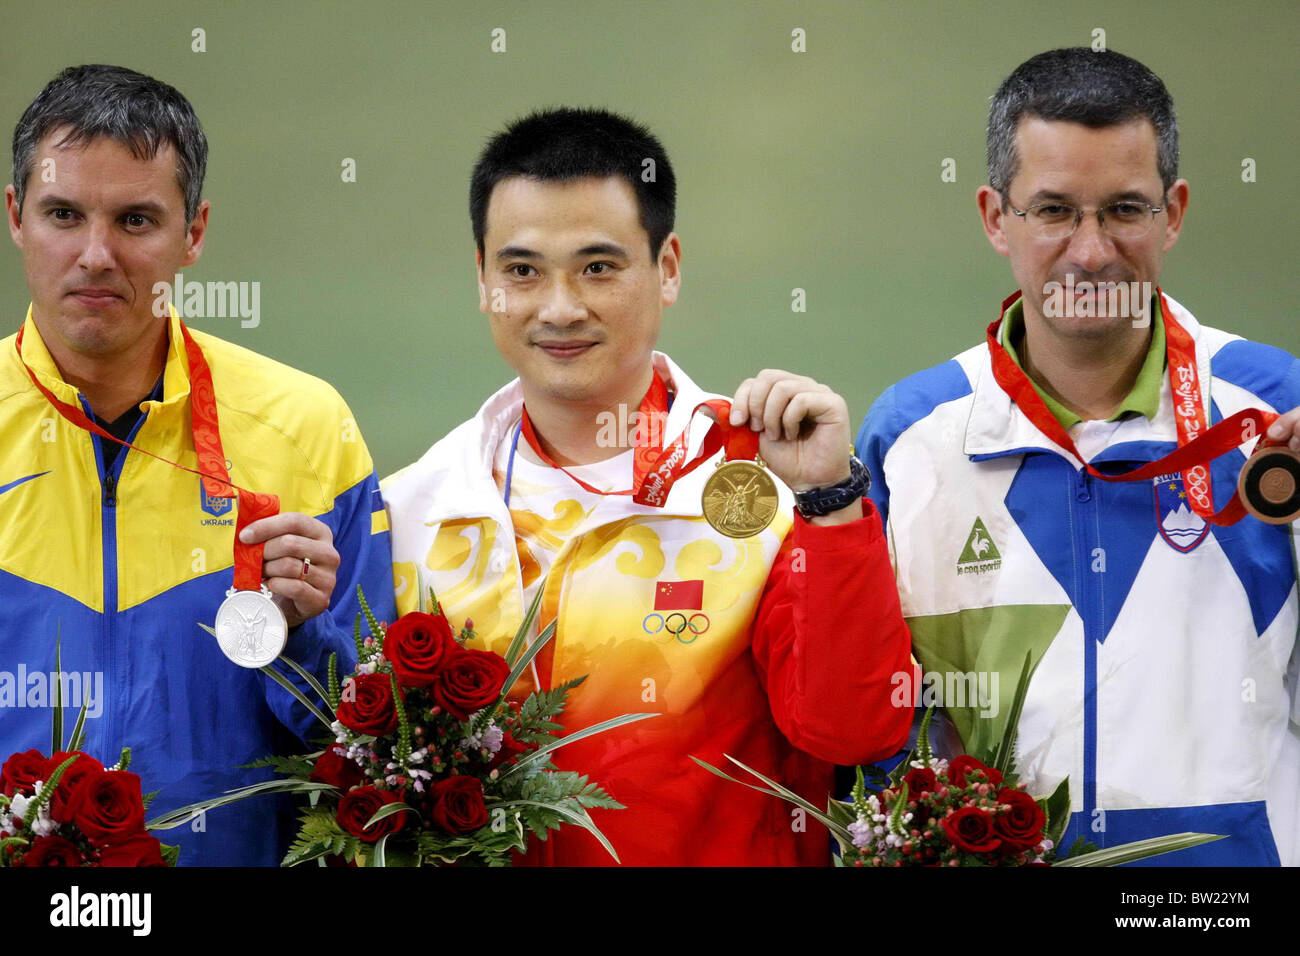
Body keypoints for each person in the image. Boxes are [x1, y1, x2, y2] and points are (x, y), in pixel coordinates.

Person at [382, 107, 913, 865]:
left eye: (598, 267)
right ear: (483, 280)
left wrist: (831, 506)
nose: (560, 308)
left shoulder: (765, 482)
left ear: (667, 269)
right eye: (522, 270)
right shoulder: (414, 510)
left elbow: (855, 730)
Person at [856, 48, 1300, 865]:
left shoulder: (1275, 411)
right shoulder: (910, 434)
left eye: (1124, 210)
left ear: (1175, 212)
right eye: (1054, 210)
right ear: (996, 216)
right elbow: (874, 719)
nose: (1091, 253)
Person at [1, 65, 395, 865]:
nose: (96, 254)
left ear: (195, 231)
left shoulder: (306, 429)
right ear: (15, 216)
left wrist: (304, 637)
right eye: (63, 214)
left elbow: (385, 758)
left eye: (136, 219)